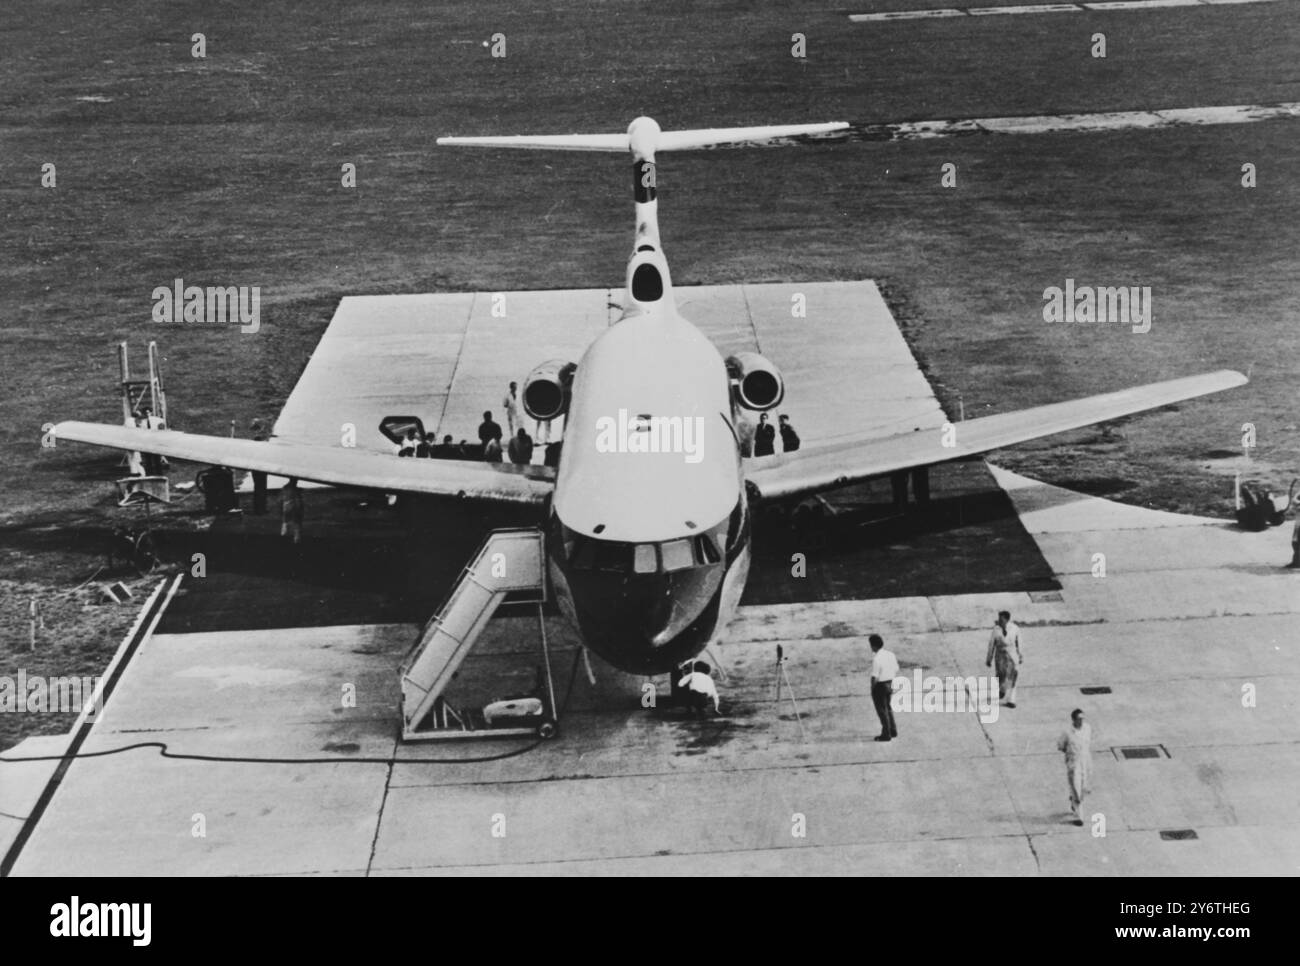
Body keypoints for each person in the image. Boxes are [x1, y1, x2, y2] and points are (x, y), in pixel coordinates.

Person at [1057, 709, 1093, 825]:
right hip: (1074, 763)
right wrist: (1070, 755)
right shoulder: (1067, 732)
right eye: (1078, 719)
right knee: (1076, 787)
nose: (1081, 721)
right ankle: (1079, 816)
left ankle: (1074, 802)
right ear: (1073, 720)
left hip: (1085, 761)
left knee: (1083, 787)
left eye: (1082, 719)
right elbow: (1061, 746)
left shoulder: (1087, 728)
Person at [986, 610, 1024, 707]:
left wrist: (1020, 655)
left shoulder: (1015, 629)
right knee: (1001, 676)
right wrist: (989, 658)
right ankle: (1002, 690)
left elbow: (1019, 643)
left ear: (1007, 620)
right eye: (999, 619)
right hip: (1000, 656)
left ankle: (1011, 700)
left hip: (1012, 655)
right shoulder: (996, 630)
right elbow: (991, 644)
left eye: (1001, 619)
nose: (999, 621)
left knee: (1013, 677)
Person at [868, 633, 899, 741]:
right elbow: (896, 668)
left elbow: (875, 676)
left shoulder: (876, 659)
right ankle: (893, 730)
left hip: (880, 686)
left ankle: (886, 734)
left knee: (882, 710)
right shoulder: (890, 654)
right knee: (888, 708)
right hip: (890, 683)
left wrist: (872, 688)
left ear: (874, 646)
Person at [280, 478, 304, 545]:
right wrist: (300, 508)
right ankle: (296, 539)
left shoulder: (285, 487)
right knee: (296, 523)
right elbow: (297, 500)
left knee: (285, 523)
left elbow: (282, 499)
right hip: (294, 507)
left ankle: (283, 537)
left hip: (286, 507)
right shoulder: (295, 490)